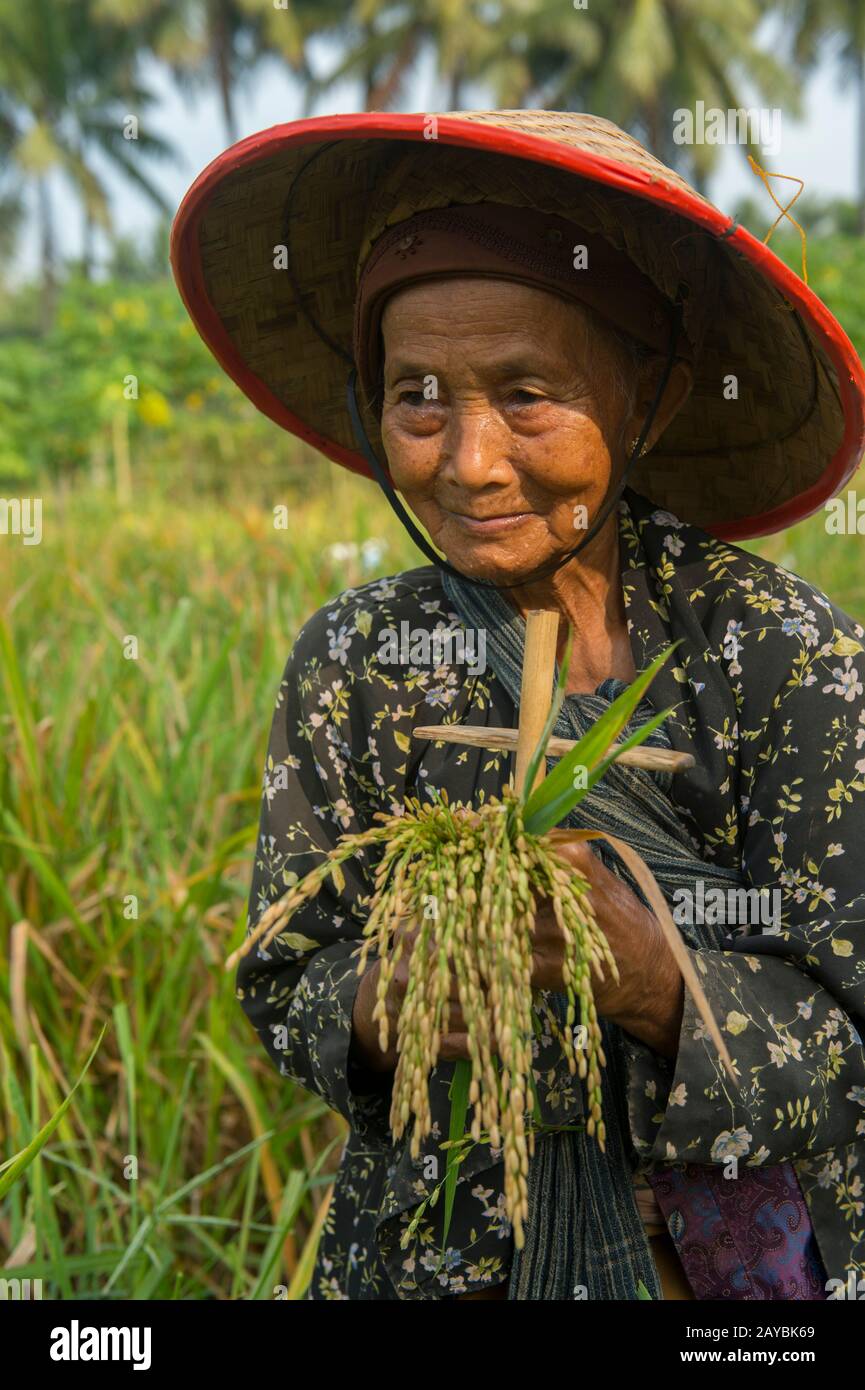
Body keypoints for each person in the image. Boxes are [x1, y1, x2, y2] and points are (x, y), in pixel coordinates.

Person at [172, 110, 865, 1300]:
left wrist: (657, 983)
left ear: (648, 392)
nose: (471, 461)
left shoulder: (781, 658)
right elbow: (284, 976)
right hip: (437, 1268)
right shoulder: (356, 661)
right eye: (418, 398)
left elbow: (851, 1042)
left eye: (530, 395)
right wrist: (382, 1003)